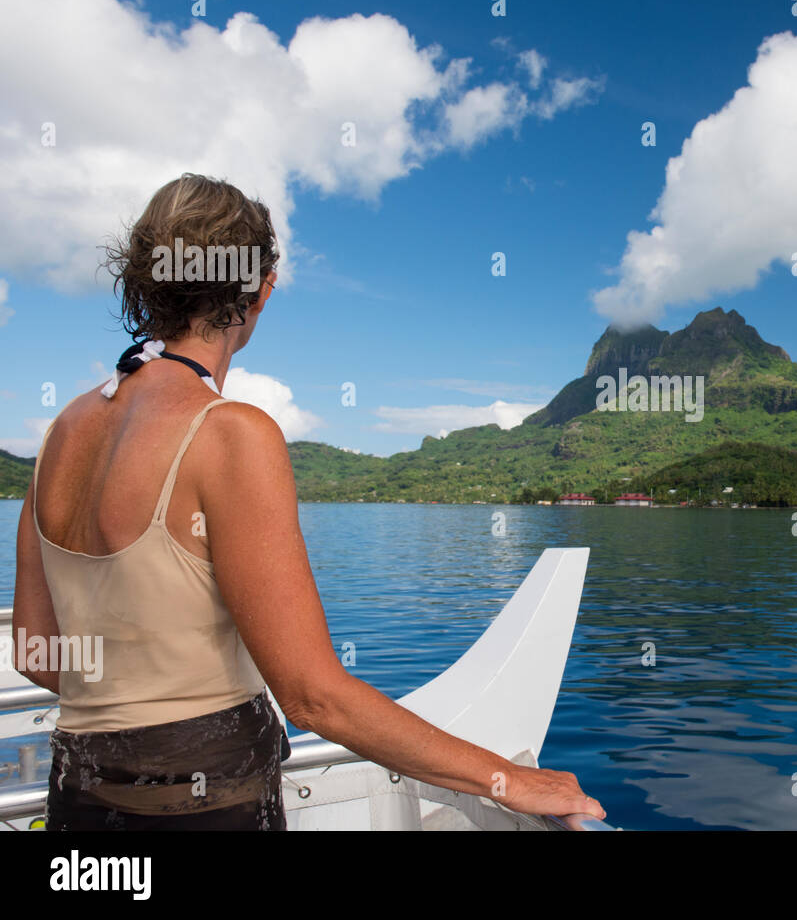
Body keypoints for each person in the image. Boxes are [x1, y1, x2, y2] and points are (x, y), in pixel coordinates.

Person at [12, 173, 605, 830]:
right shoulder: (231, 435)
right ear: (261, 289)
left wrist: (130, 708)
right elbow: (314, 697)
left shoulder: (62, 435)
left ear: (143, 279)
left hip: (78, 809)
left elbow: (34, 646)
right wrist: (509, 778)